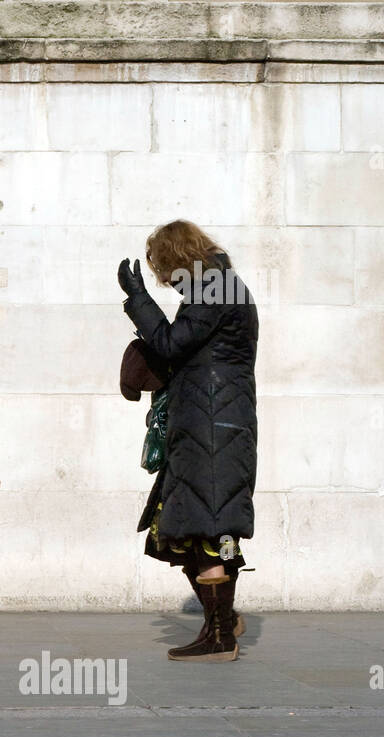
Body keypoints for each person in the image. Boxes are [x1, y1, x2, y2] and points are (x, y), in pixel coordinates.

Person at [117, 219, 259, 662]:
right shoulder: (219, 285)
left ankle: (221, 636)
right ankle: (223, 622)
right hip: (209, 424)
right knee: (189, 528)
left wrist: (138, 300)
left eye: (162, 266)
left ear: (178, 258)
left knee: (202, 529)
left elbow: (172, 343)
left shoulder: (216, 285)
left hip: (211, 429)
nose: (162, 277)